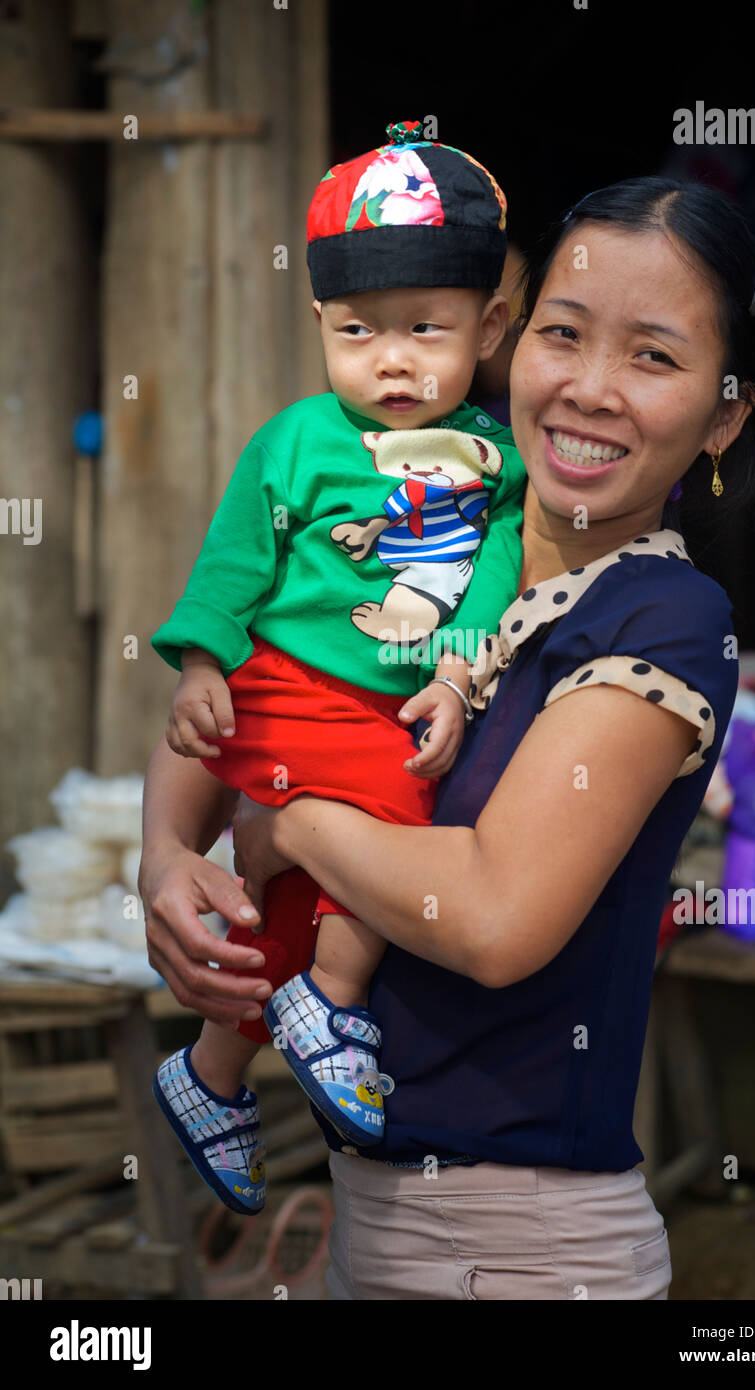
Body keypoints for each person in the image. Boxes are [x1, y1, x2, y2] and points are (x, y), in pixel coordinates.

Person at [141, 175, 755, 1299]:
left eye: (654, 357)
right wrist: (168, 859)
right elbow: (254, 683)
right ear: (506, 336)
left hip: (519, 1249)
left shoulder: (663, 621)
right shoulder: (427, 500)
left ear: (724, 414)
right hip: (375, 1225)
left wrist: (283, 816)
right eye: (564, 335)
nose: (590, 391)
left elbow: (491, 916)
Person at [148, 120, 525, 1210]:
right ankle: (335, 1002)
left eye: (426, 329)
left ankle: (212, 1073)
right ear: (317, 319)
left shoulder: (496, 464)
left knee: (303, 893)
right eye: (357, 331)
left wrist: (457, 678)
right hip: (287, 694)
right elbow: (232, 563)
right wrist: (199, 667)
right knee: (401, 816)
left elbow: (491, 588)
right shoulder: (297, 441)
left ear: (489, 325)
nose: (392, 359)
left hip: (388, 698)